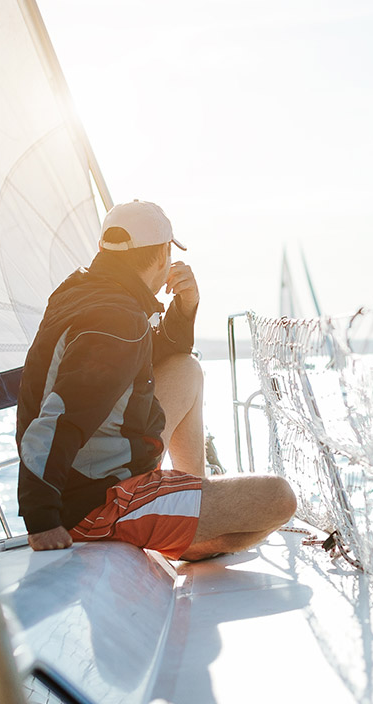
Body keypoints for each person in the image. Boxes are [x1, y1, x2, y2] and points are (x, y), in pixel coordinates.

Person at [15, 200, 296, 560]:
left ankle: (191, 496)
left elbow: (152, 353)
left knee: (185, 368)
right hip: (96, 501)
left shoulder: (90, 292)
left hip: (99, 467)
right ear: (164, 254)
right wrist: (42, 520)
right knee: (278, 498)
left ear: (103, 249)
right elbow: (58, 420)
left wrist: (185, 305)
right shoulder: (115, 322)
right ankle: (190, 535)